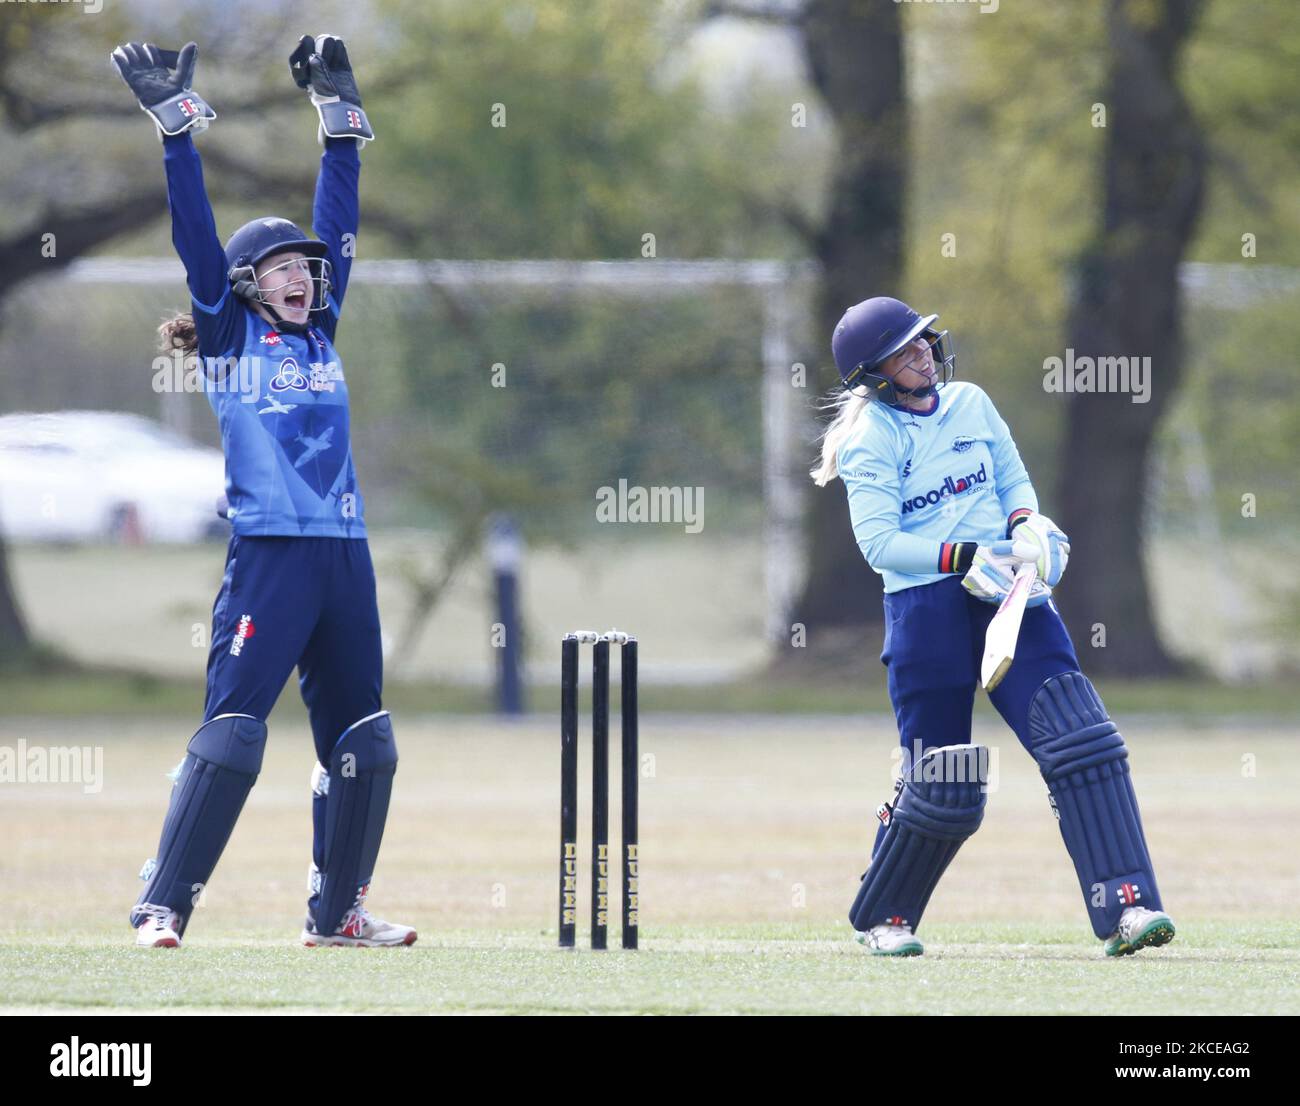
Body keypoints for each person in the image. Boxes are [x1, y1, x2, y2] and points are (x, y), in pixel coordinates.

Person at [112, 37, 414, 948]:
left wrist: (341, 132)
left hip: (344, 554)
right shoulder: (232, 334)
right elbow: (195, 235)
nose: (303, 275)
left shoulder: (320, 334)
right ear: (246, 285)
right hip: (271, 554)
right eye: (283, 266)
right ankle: (162, 905)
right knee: (236, 735)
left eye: (308, 267)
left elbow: (340, 221)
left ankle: (340, 914)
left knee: (367, 743)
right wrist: (176, 136)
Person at [812, 296, 1175, 958]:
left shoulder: (971, 404)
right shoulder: (872, 439)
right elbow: (881, 546)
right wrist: (963, 556)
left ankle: (1129, 907)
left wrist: (1025, 531)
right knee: (943, 780)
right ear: (875, 375)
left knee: (1082, 740)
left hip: (1009, 594)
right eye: (904, 350)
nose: (923, 352)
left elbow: (1013, 482)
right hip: (928, 610)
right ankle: (885, 918)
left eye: (924, 340)